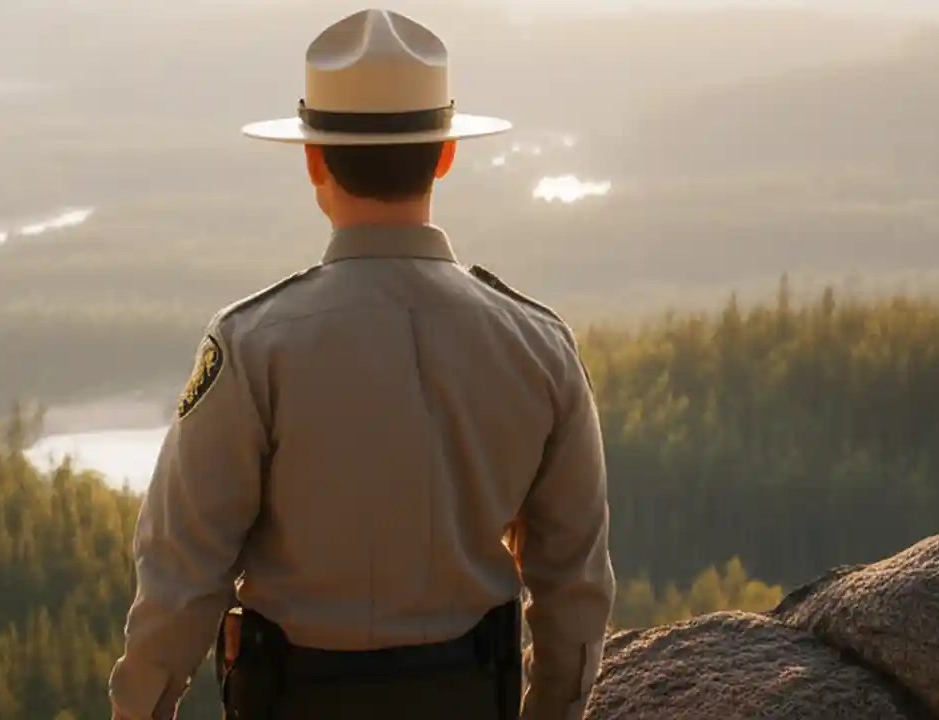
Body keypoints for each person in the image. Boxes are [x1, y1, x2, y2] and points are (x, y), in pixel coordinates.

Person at [109, 8, 614, 720]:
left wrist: (141, 710)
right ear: (446, 153)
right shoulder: (539, 345)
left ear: (313, 157)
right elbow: (574, 582)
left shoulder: (254, 345)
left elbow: (182, 576)